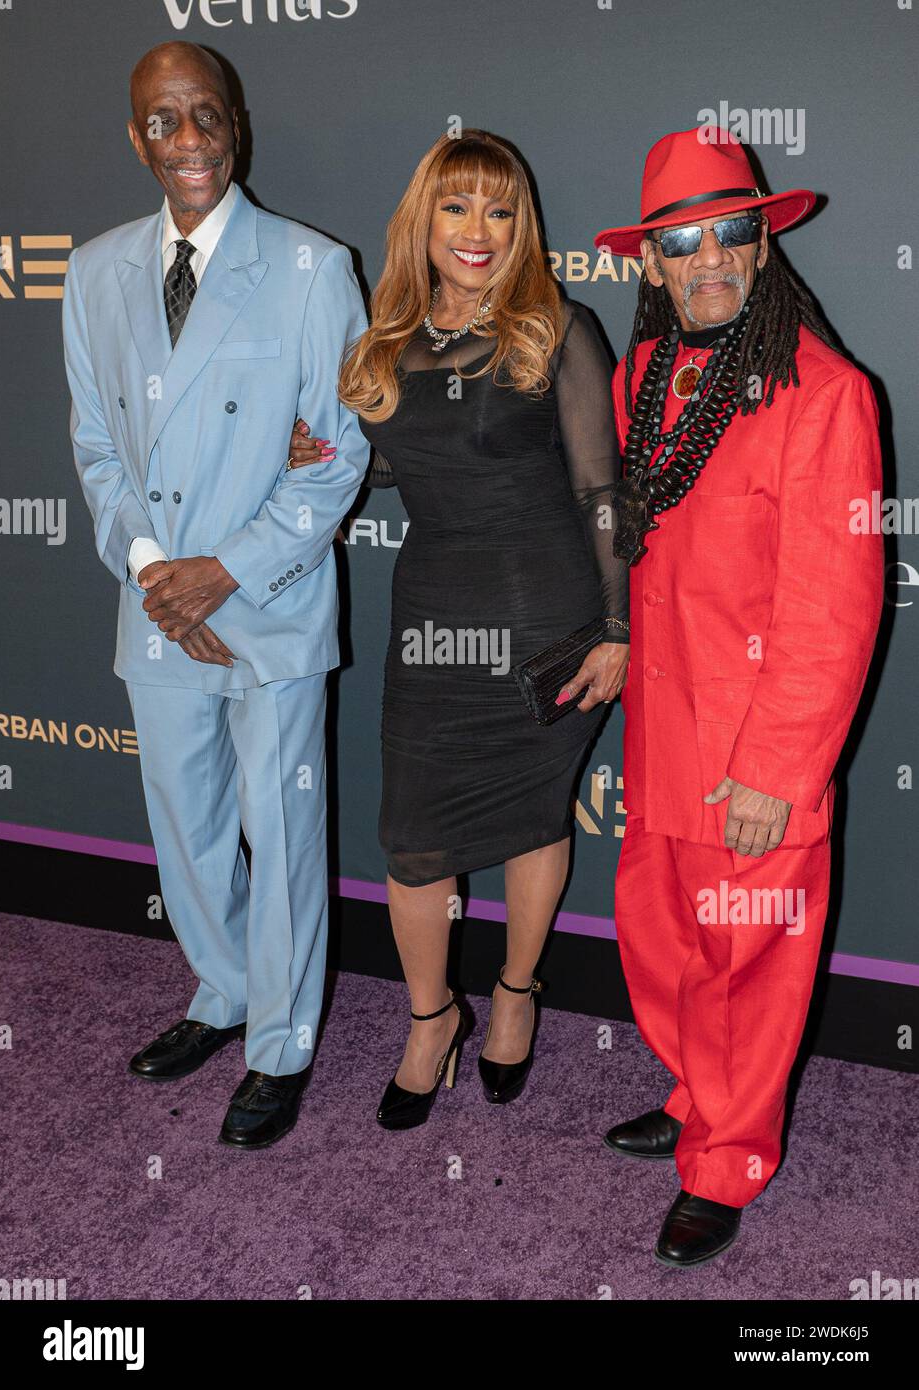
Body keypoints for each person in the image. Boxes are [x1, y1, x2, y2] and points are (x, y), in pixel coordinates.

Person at [61, 41, 369, 1149]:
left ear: (237, 121)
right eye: (161, 121)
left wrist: (221, 574)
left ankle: (281, 1044)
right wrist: (154, 576)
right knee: (186, 830)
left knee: (278, 830)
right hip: (156, 609)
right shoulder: (92, 272)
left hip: (265, 605)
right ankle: (222, 993)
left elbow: (335, 456)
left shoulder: (308, 268)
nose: (186, 140)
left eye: (204, 115)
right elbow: (97, 446)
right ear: (134, 136)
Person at [289, 130, 629, 1128]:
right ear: (422, 222)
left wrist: (613, 626)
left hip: (546, 618)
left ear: (519, 225)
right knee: (412, 842)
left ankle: (516, 993)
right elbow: (407, 460)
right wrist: (335, 453)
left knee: (532, 817)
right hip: (433, 619)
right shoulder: (390, 338)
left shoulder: (555, 328)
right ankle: (430, 1016)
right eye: (455, 208)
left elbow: (599, 487)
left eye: (497, 210)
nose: (476, 231)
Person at [593, 126, 883, 1265]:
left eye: (729, 233)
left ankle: (727, 1158)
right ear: (650, 264)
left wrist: (775, 768)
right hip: (661, 726)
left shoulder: (826, 394)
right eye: (680, 244)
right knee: (662, 940)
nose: (707, 259)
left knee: (748, 961)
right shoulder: (640, 376)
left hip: (755, 745)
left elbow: (834, 604)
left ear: (762, 246)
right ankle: (690, 1095)